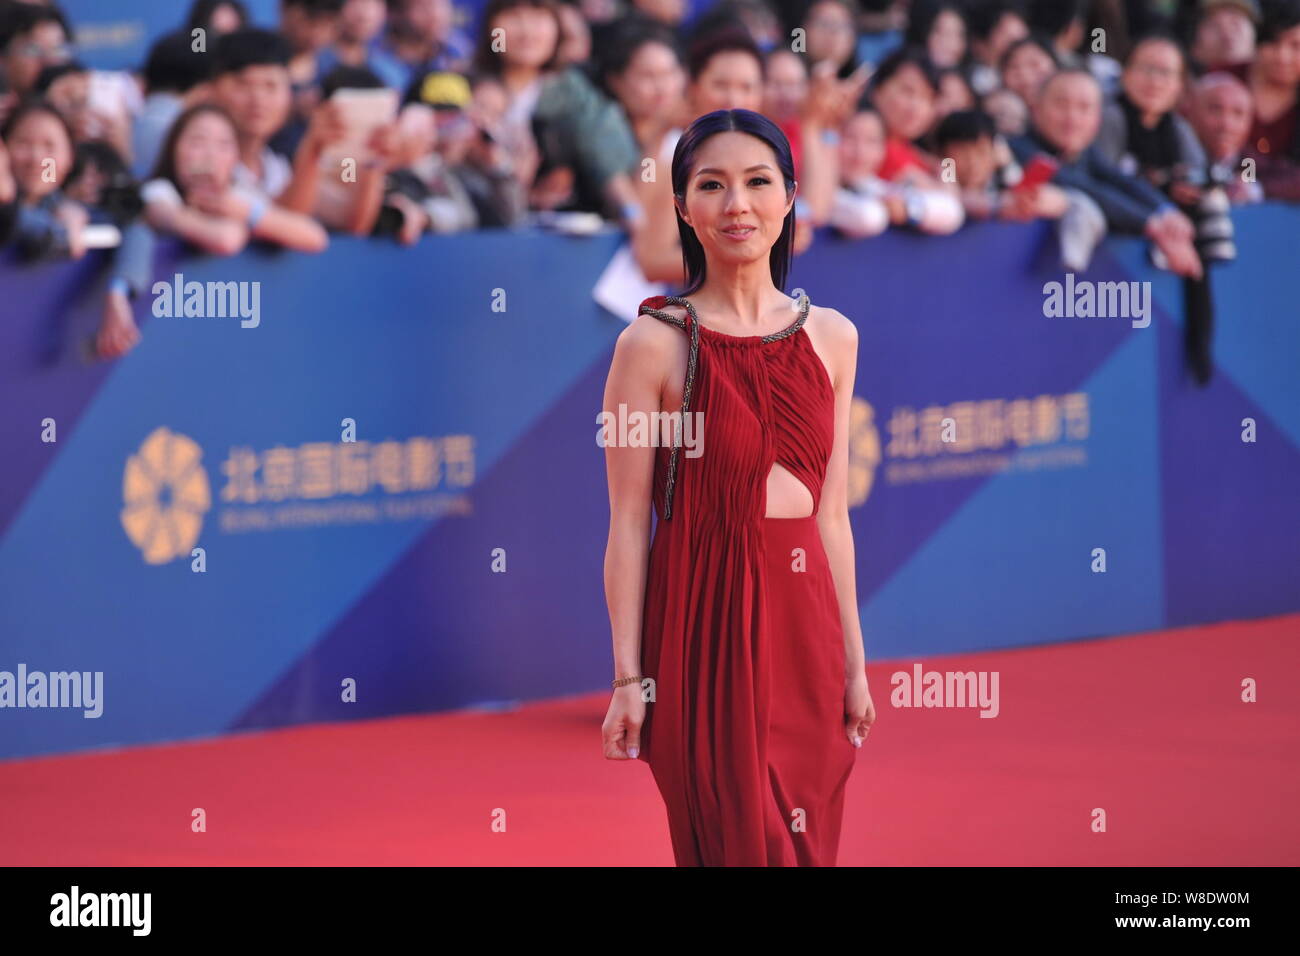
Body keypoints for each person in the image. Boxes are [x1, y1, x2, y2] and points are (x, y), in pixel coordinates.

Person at [600, 107, 873, 866]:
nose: (737, 205)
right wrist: (629, 678)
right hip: (701, 625)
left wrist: (854, 661)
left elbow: (832, 520)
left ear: (791, 197)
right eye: (711, 185)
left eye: (758, 182)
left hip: (805, 628)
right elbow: (627, 523)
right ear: (683, 207)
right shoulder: (649, 345)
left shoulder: (834, 337)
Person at [1011, 68, 1203, 278]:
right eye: (1061, 104)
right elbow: (1083, 188)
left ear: (1097, 120)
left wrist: (1167, 212)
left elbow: (1120, 181)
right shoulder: (1019, 149)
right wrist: (1153, 226)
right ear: (1035, 108)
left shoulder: (1086, 151)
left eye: (1084, 108)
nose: (1072, 117)